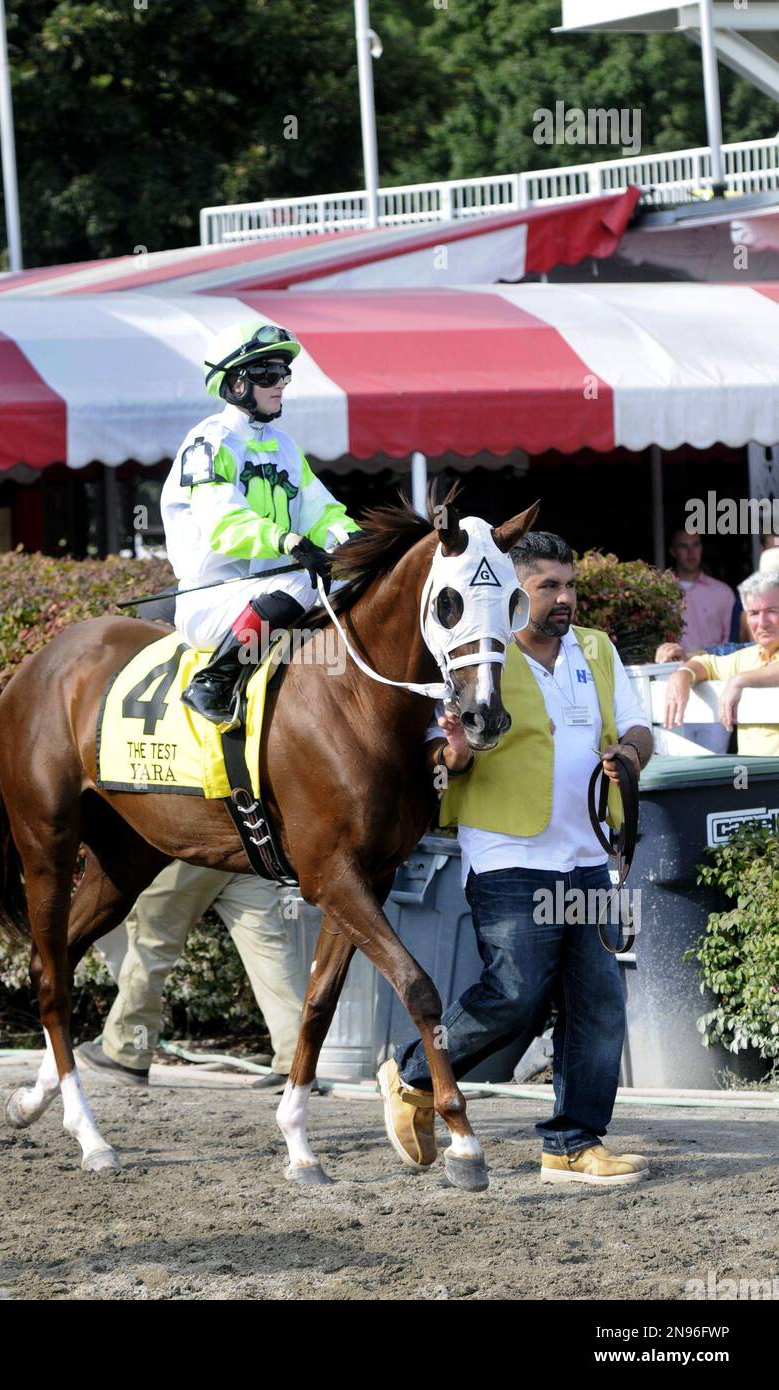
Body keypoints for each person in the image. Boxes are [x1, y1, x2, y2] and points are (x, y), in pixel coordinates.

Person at [378, 531, 655, 1188]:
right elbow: (439, 758)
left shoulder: (596, 649)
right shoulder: (478, 656)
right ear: (513, 594)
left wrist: (633, 756)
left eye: (570, 584)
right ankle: (414, 1074)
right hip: (507, 854)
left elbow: (637, 724)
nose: (564, 598)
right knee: (514, 994)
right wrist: (457, 751)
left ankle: (570, 1145)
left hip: (587, 856)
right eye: (547, 587)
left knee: (598, 1001)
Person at [160, 320, 359, 730]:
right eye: (267, 375)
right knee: (300, 583)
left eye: (283, 374)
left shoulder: (285, 446)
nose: (280, 383)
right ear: (235, 384)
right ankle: (212, 682)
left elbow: (321, 511)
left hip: (269, 594)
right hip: (213, 599)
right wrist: (286, 541)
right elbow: (222, 523)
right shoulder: (209, 443)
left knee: (356, 584)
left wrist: (354, 542)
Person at [78, 861, 305, 1089]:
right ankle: (297, 1060)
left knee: (150, 945)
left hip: (195, 849)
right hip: (244, 850)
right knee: (267, 950)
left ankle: (129, 1052)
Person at [663, 570, 779, 756]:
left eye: (772, 611)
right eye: (754, 613)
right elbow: (707, 664)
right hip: (754, 780)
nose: (762, 622)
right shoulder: (747, 656)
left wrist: (740, 680)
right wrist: (683, 674)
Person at [655, 528, 735, 659]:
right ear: (672, 551)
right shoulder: (661, 593)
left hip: (717, 669)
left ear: (702, 548)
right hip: (674, 668)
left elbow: (732, 639)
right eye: (683, 546)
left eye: (696, 545)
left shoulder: (723, 592)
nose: (691, 552)